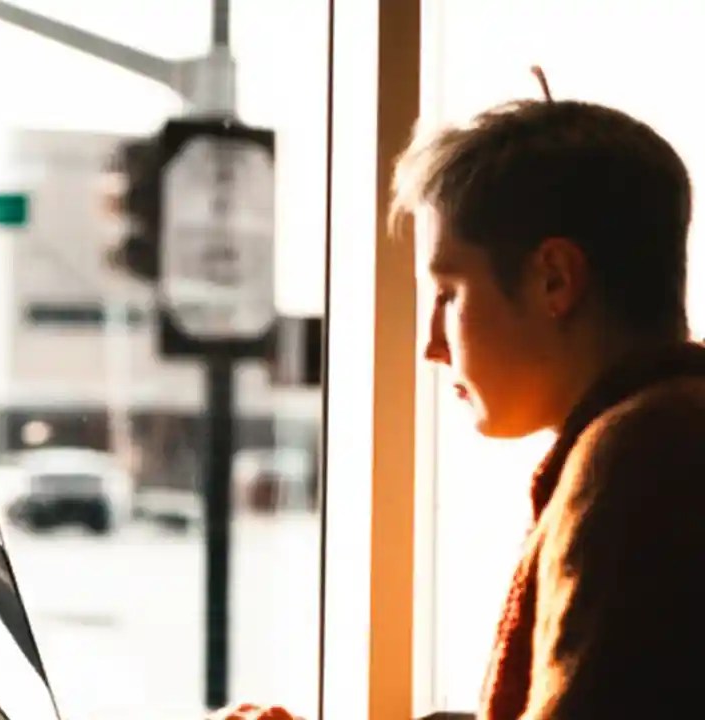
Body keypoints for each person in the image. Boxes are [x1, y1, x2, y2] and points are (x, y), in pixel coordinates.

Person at [212, 92, 705, 720]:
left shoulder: (641, 460)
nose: (432, 345)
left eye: (448, 292)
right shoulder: (668, 430)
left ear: (555, 278)